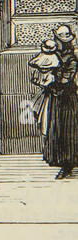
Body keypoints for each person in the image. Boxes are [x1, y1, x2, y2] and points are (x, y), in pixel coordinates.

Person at [30, 40, 78, 178]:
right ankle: (62, 162)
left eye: (59, 41)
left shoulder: (71, 59)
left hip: (67, 100)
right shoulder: (57, 56)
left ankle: (67, 165)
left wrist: (53, 78)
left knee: (67, 131)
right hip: (57, 97)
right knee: (57, 130)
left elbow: (65, 79)